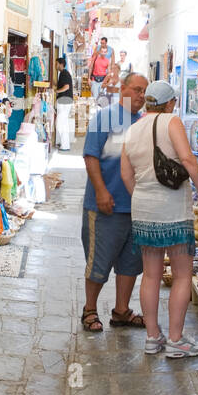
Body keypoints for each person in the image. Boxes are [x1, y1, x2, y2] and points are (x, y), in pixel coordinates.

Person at [120, 80, 198, 358]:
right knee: (182, 275)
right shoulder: (172, 122)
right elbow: (189, 160)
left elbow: (126, 174)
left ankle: (152, 337)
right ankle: (175, 340)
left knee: (150, 275)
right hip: (173, 210)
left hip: (144, 210)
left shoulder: (133, 129)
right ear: (171, 102)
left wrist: (144, 198)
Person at [79, 73, 148, 332]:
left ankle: (121, 311)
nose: (141, 96)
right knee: (99, 261)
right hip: (106, 205)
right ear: (123, 89)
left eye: (145, 92)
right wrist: (100, 191)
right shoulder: (104, 117)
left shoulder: (142, 122)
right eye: (137, 90)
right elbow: (90, 156)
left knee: (131, 264)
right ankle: (89, 309)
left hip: (136, 207)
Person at [54, 55, 75, 151]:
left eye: (56, 63)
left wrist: (57, 91)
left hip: (64, 101)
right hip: (65, 101)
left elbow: (66, 87)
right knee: (63, 123)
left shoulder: (64, 73)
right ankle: (64, 144)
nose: (55, 65)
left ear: (61, 64)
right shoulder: (63, 74)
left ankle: (65, 145)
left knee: (60, 123)